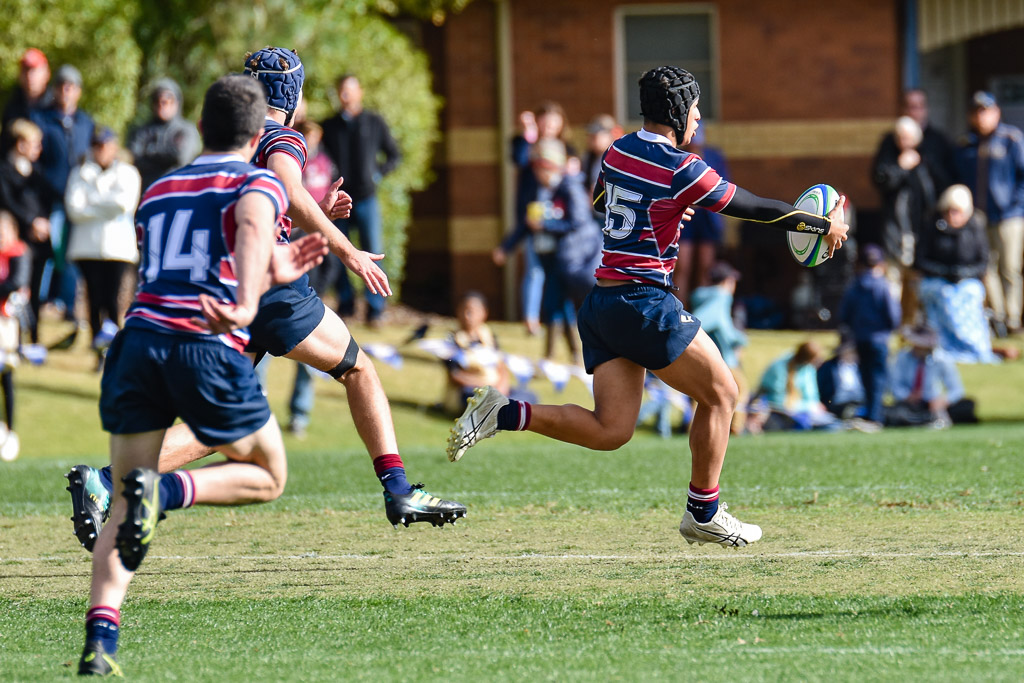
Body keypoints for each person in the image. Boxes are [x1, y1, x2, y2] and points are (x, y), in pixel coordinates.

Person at [66, 48, 465, 553]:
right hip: (273, 289)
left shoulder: (234, 145)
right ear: (292, 95)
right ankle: (400, 491)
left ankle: (106, 482)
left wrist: (315, 211)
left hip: (230, 288)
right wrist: (348, 251)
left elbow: (266, 208)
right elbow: (285, 184)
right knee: (359, 369)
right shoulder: (281, 137)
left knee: (220, 425)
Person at [448, 66, 849, 548]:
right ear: (679, 111)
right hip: (644, 301)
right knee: (723, 393)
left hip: (602, 305)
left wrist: (664, 205)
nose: (699, 117)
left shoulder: (617, 150)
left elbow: (602, 198)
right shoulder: (683, 168)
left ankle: (503, 413)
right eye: (695, 107)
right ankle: (704, 511)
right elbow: (753, 208)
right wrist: (821, 226)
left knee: (610, 430)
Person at [73, 74, 329, 676]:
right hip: (201, 343)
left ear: (202, 126)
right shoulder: (258, 180)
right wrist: (254, 294)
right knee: (268, 473)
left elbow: (170, 267)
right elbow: (243, 245)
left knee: (123, 494)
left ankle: (99, 644)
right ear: (260, 129)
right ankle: (162, 493)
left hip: (134, 344)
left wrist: (267, 270)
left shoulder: (159, 188)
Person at [495, 139, 589, 362]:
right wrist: (506, 247)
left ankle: (552, 355)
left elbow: (578, 222)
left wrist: (546, 225)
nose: (538, 174)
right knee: (560, 304)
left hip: (564, 256)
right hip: (544, 255)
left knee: (552, 303)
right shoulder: (536, 191)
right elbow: (525, 224)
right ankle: (573, 353)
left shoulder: (568, 188)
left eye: (542, 169)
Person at [319, 74, 401, 327]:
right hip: (340, 201)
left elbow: (394, 155)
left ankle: (375, 309)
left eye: (350, 90)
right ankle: (346, 305)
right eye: (341, 90)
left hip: (366, 199)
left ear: (359, 92)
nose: (345, 95)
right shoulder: (329, 126)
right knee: (338, 252)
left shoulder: (374, 122)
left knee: (373, 252)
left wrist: (376, 174)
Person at [64, 127, 142, 365]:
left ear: (114, 147)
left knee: (112, 300)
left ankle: (113, 349)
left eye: (105, 145)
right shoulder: (80, 172)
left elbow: (123, 205)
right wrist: (104, 205)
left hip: (117, 248)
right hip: (87, 247)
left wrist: (92, 203)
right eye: (97, 146)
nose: (101, 151)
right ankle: (98, 350)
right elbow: (74, 209)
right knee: (94, 299)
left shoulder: (127, 172)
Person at [285, 119, 339, 437]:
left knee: (312, 352)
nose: (312, 141)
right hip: (287, 254)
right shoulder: (285, 160)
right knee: (257, 351)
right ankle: (252, 414)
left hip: (313, 269)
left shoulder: (323, 161)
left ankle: (299, 415)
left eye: (316, 136)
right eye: (308, 135)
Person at [955, 91, 1024, 336]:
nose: (982, 117)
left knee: (1010, 268)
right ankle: (998, 318)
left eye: (986, 111)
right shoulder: (966, 144)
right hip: (978, 217)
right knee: (986, 268)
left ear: (996, 113)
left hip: (1010, 216)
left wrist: (1015, 203)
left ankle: (1014, 319)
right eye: (977, 112)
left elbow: (1022, 177)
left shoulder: (1011, 139)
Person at [30, 64, 94, 326]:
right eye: (61, 86)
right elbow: (36, 162)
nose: (66, 91)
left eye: (71, 86)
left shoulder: (86, 122)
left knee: (74, 255)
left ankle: (68, 308)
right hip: (47, 200)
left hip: (79, 201)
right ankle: (45, 303)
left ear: (78, 91)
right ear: (55, 89)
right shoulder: (40, 119)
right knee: (53, 252)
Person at [505, 101, 574, 336]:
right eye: (544, 119)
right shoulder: (524, 143)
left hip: (559, 217)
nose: (549, 125)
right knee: (534, 269)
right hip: (534, 212)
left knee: (561, 270)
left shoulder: (567, 147)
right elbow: (520, 160)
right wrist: (528, 135)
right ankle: (531, 320)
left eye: (554, 120)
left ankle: (562, 320)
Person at [872, 116, 942, 324]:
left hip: (920, 230)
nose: (905, 142)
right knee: (892, 279)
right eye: (901, 138)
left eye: (909, 138)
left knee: (916, 280)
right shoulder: (889, 156)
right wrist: (901, 167)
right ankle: (891, 321)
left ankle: (913, 323)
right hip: (895, 230)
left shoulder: (926, 157)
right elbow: (881, 181)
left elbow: (933, 191)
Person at [915, 184, 996, 363]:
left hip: (967, 282)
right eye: (949, 211)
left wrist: (964, 273)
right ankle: (941, 344)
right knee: (943, 294)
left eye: (957, 211)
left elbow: (983, 262)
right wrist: (944, 272)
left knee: (969, 293)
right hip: (937, 280)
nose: (952, 216)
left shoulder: (975, 227)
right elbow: (920, 260)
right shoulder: (932, 225)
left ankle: (971, 343)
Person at [0, 118, 53, 343]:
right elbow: (8, 201)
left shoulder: (36, 174)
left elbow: (45, 201)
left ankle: (33, 337)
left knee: (35, 290)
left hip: (36, 241)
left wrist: (42, 223)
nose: (38, 149)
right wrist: (30, 221)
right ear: (20, 144)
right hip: (14, 241)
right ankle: (14, 340)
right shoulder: (4, 170)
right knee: (14, 290)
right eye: (34, 143)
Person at [837, 243, 901, 425]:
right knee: (878, 378)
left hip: (860, 338)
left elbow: (844, 315)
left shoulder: (854, 286)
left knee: (865, 376)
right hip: (880, 339)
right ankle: (875, 416)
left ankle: (870, 413)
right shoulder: (883, 286)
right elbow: (893, 316)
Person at [674, 127, 732, 304]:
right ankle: (680, 312)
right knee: (682, 266)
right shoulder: (676, 156)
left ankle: (701, 315)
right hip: (685, 214)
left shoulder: (714, 156)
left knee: (705, 267)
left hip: (708, 217)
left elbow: (724, 186)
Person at [689, 262, 748, 434]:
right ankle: (736, 428)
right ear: (727, 281)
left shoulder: (699, 295)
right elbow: (716, 322)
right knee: (740, 389)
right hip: (722, 356)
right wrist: (740, 340)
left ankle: (693, 429)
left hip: (702, 353)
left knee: (702, 393)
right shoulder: (722, 296)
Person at [887, 324, 977, 428]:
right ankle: (924, 419)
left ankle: (926, 419)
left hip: (934, 403)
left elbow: (957, 389)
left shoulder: (942, 359)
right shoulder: (902, 357)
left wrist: (944, 400)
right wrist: (907, 396)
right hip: (910, 404)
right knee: (895, 412)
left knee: (966, 406)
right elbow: (895, 385)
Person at [748, 340, 841, 433]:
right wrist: (808, 407)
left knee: (834, 425)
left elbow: (811, 395)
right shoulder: (779, 368)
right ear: (808, 359)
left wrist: (815, 405)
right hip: (780, 413)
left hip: (804, 412)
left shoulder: (808, 369)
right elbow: (779, 402)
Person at [127, 78, 201, 192]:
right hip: (147, 190)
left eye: (167, 101)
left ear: (177, 102)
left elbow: (181, 158)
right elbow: (135, 159)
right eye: (158, 101)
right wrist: (167, 155)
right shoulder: (142, 131)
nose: (162, 105)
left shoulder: (185, 130)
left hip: (177, 191)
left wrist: (149, 152)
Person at [444, 291, 511, 415]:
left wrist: (501, 387)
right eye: (464, 310)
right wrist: (486, 386)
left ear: (484, 313)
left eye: (472, 311)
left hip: (494, 387)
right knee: (473, 397)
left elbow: (501, 367)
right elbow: (455, 375)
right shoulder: (452, 339)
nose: (467, 316)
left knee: (527, 396)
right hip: (470, 389)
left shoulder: (489, 337)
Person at [0, 210, 29, 462]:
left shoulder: (19, 253)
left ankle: (11, 429)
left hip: (6, 324)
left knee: (6, 374)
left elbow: (15, 282)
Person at [1, 48, 53, 154]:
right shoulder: (12, 107)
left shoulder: (55, 106)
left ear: (47, 74)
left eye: (34, 71)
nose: (29, 76)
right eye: (25, 70)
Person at [816, 341, 867, 420]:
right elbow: (821, 387)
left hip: (859, 400)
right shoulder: (829, 366)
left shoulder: (861, 366)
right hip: (837, 402)